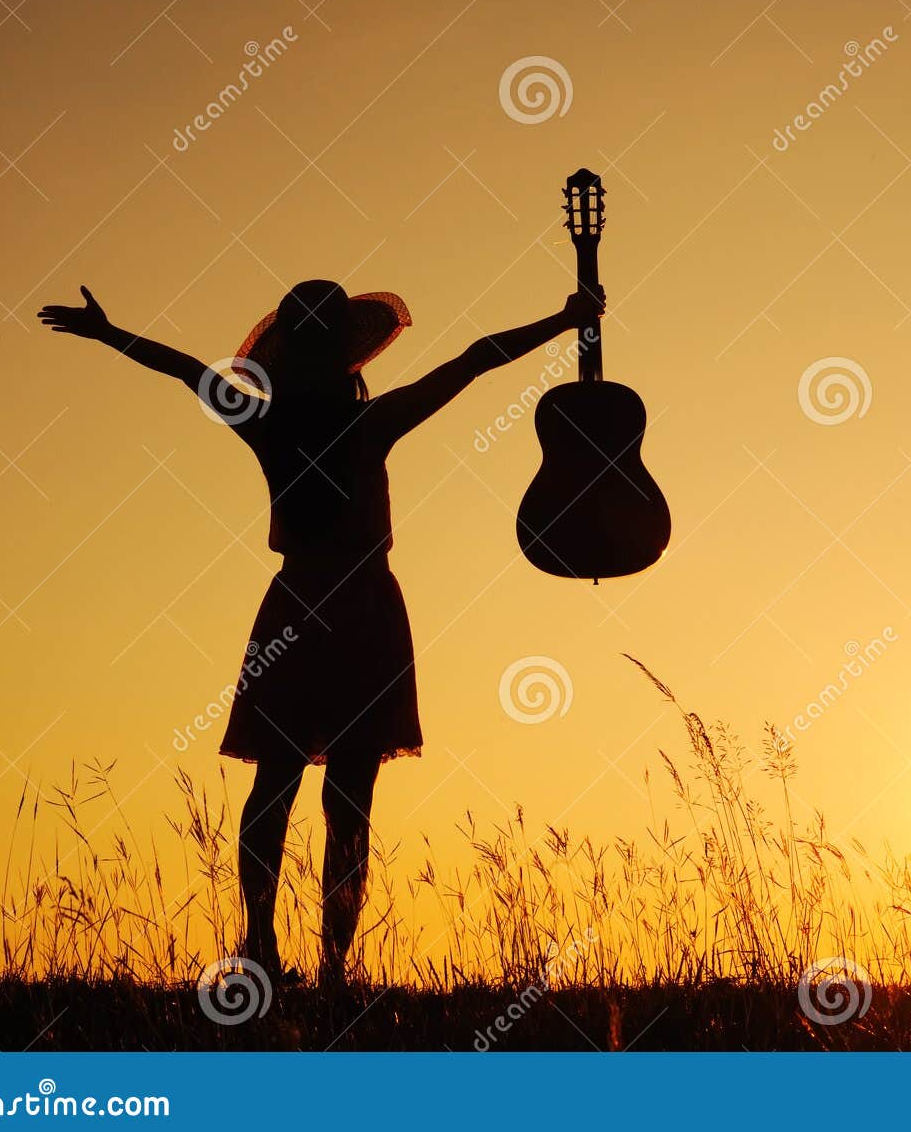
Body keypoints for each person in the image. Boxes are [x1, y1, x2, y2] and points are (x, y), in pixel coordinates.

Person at [37, 278, 603, 984]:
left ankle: (281, 949)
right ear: (341, 356)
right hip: (354, 606)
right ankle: (304, 954)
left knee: (291, 786)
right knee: (336, 794)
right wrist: (563, 317)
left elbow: (187, 370)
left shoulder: (273, 425)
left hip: (310, 605)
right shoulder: (364, 425)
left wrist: (111, 334)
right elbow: (472, 358)